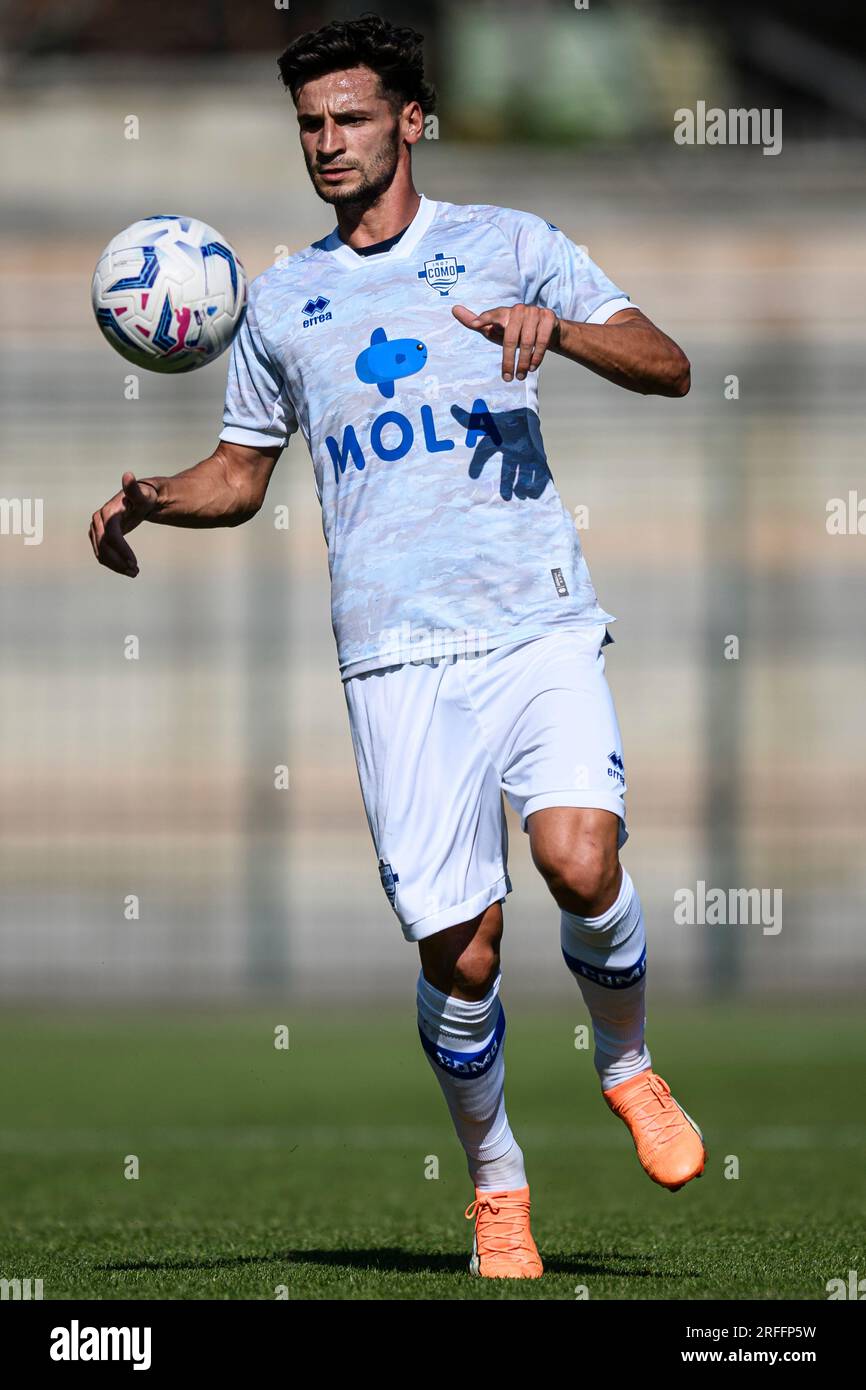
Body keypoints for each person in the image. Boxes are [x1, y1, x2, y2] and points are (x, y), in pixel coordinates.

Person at [89, 12, 704, 1281]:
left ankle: (629, 1065)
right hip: (393, 656)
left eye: (351, 117)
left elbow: (668, 363)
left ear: (409, 121)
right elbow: (242, 477)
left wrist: (558, 329)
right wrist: (156, 493)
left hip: (534, 616)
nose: (326, 142)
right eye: (309, 123)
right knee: (460, 949)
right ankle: (496, 1187)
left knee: (580, 863)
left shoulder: (510, 244)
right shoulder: (281, 303)